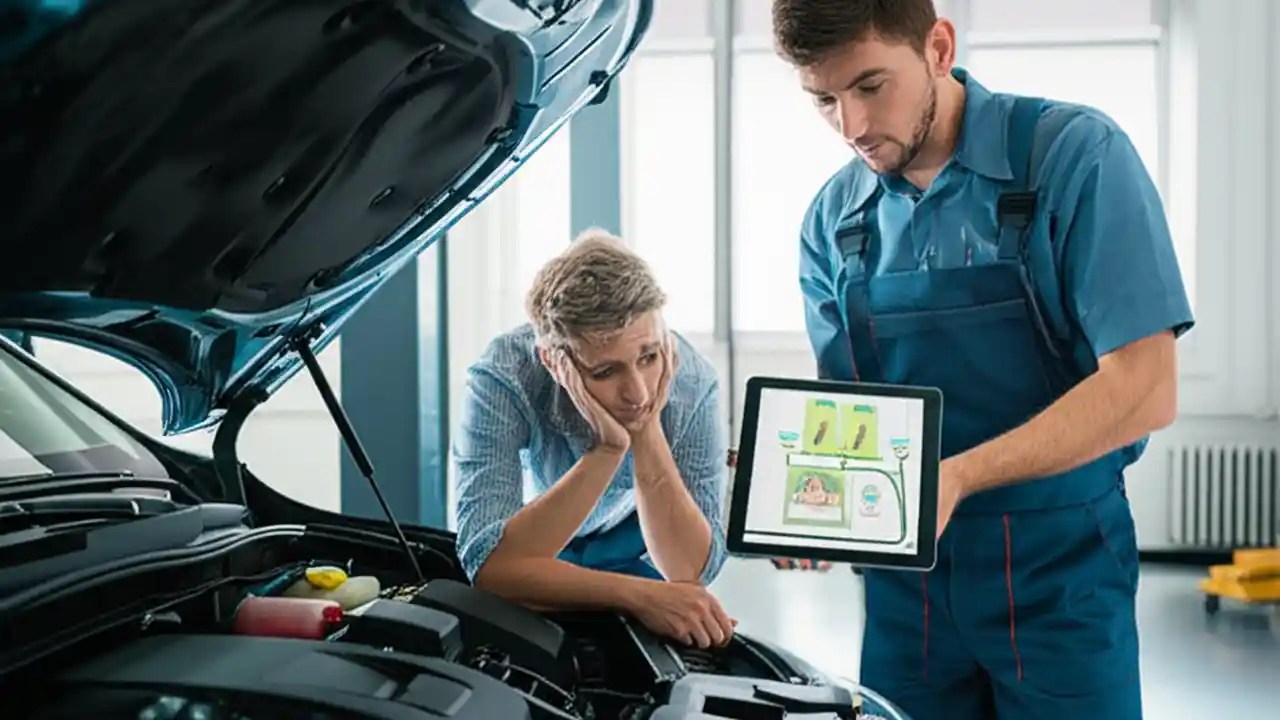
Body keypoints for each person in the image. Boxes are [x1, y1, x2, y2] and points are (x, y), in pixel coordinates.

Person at [772, 1, 1193, 719]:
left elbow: (1146, 387)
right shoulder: (832, 223)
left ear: (939, 47)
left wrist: (959, 477)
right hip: (909, 598)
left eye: (871, 86)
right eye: (824, 100)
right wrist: (809, 503)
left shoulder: (1074, 158)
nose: (852, 126)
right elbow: (855, 419)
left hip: (1060, 576)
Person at [452, 227, 736, 649]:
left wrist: (646, 430)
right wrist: (608, 449)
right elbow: (489, 567)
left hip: (635, 537)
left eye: (648, 357)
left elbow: (690, 571)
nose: (638, 393)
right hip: (543, 531)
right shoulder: (503, 375)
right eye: (605, 371)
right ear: (553, 361)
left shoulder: (693, 382)